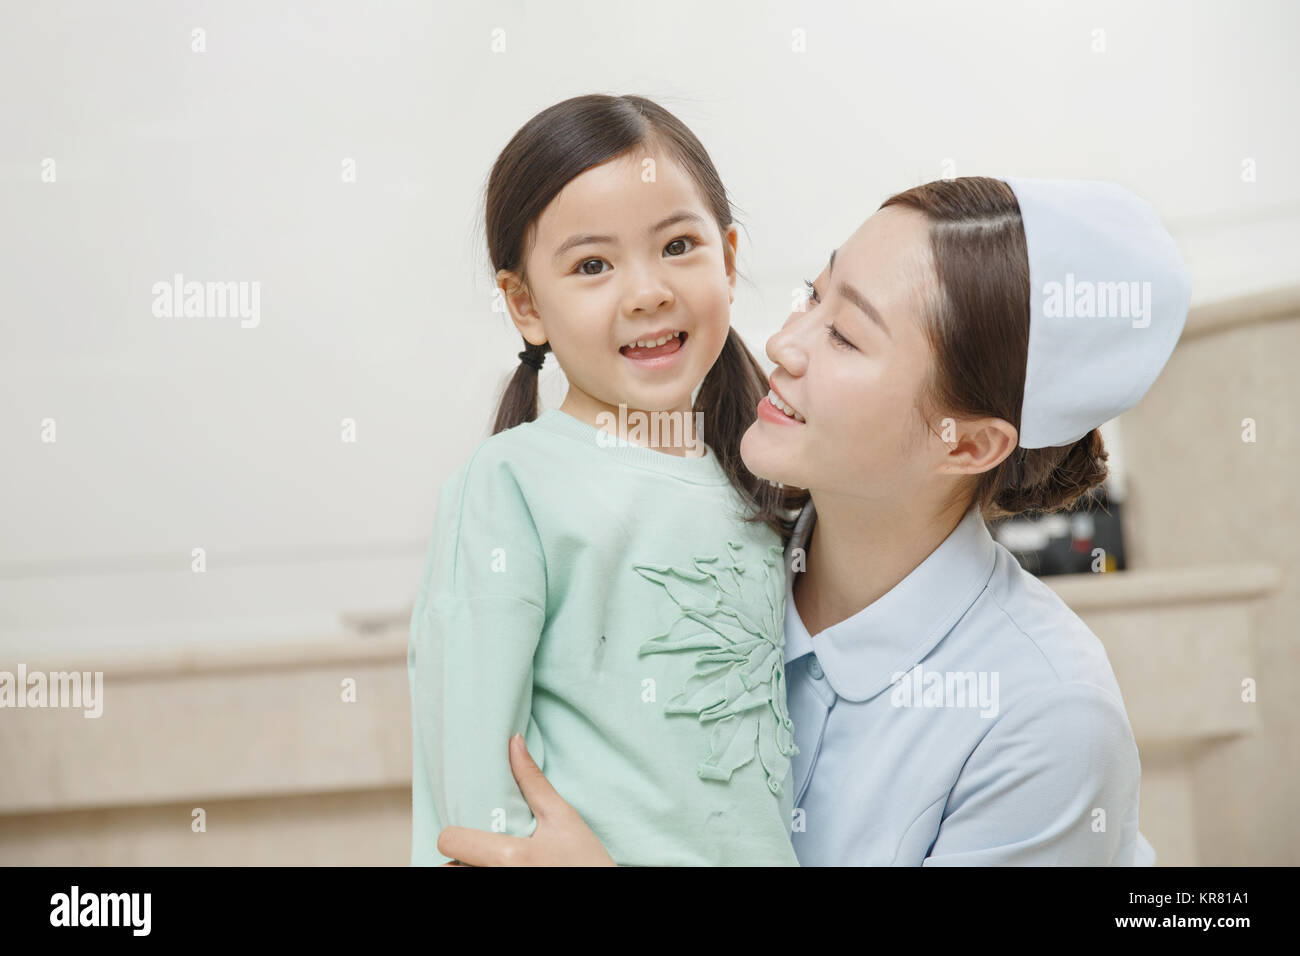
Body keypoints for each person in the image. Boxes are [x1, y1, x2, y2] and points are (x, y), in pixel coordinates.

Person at [433, 175, 1189, 865]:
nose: (782, 343)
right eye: (812, 295)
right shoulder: (702, 567)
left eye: (846, 335)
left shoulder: (1048, 718)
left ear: (969, 443)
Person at [408, 93, 802, 866]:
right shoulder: (512, 483)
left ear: (728, 258)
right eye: (593, 265)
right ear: (525, 305)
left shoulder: (764, 480)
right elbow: (475, 802)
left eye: (678, 246)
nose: (648, 291)